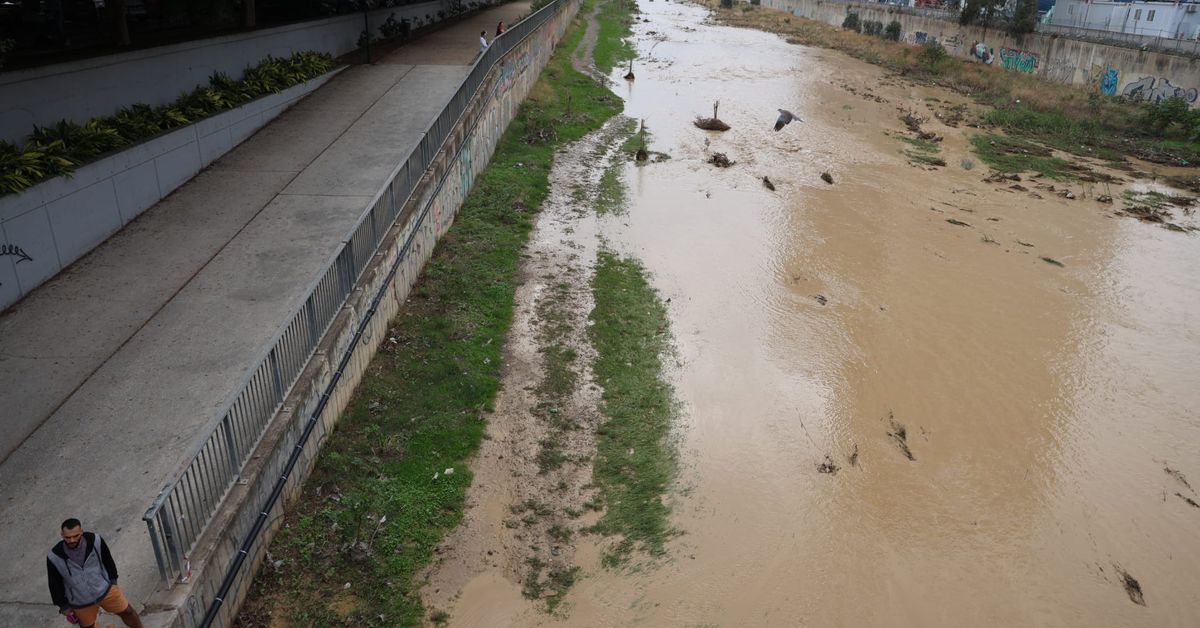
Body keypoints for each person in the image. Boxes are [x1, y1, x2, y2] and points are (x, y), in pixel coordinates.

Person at [47, 519, 144, 628]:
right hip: (80, 601)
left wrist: (113, 581)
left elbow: (108, 560)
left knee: (128, 612)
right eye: (67, 537)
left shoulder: (95, 540)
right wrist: (63, 606)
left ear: (82, 532)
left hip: (106, 590)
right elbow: (54, 584)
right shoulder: (54, 557)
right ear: (62, 535)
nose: (71, 540)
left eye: (76, 536)